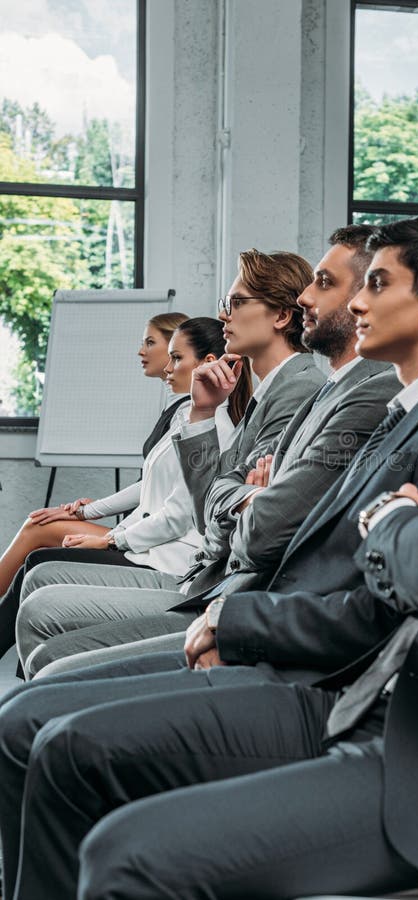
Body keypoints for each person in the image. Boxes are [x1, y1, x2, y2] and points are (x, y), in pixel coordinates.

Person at [0, 210, 418, 900]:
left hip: (305, 662)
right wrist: (249, 502)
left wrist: (240, 620)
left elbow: (284, 540)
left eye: (364, 284)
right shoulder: (391, 402)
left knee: (52, 733)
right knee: (29, 710)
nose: (346, 304)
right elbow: (239, 499)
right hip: (260, 616)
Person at [24, 216, 418, 677]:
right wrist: (237, 474)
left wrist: (249, 497)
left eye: (329, 283)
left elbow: (258, 532)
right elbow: (220, 503)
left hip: (246, 598)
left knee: (48, 645)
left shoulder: (346, 391)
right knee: (43, 607)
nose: (308, 295)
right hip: (225, 584)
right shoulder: (327, 388)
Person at [15, 248, 324, 673]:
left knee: (42, 612)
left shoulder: (296, 391)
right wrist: (201, 416)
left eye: (235, 303)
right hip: (203, 572)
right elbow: (214, 507)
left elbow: (241, 520)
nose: (224, 316)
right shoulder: (265, 392)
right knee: (39, 586)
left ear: (281, 317)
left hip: (215, 585)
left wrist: (232, 497)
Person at [0, 311, 190, 599]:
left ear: (176, 346)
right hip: (138, 530)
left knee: (37, 528)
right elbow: (155, 485)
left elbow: (158, 494)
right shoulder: (177, 408)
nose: (141, 351)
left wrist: (89, 511)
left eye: (150, 342)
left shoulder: (192, 416)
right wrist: (89, 508)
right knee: (38, 538)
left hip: (152, 543)